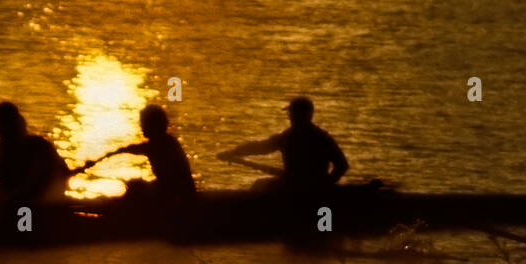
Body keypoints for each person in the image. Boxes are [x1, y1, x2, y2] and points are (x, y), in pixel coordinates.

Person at [217, 96, 348, 192]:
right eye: (289, 113)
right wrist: (235, 152)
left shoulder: (311, 138)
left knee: (259, 185)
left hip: (298, 189)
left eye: (291, 113)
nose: (289, 116)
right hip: (295, 185)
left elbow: (342, 165)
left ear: (301, 115)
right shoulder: (297, 136)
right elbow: (261, 147)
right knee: (261, 185)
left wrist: (323, 187)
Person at [81, 104, 196, 202]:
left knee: (135, 187)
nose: (141, 127)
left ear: (152, 125)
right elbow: (126, 149)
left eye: (143, 123)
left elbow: (171, 183)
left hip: (176, 195)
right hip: (172, 191)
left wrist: (98, 160)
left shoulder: (160, 145)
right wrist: (98, 161)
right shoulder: (165, 141)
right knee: (136, 186)